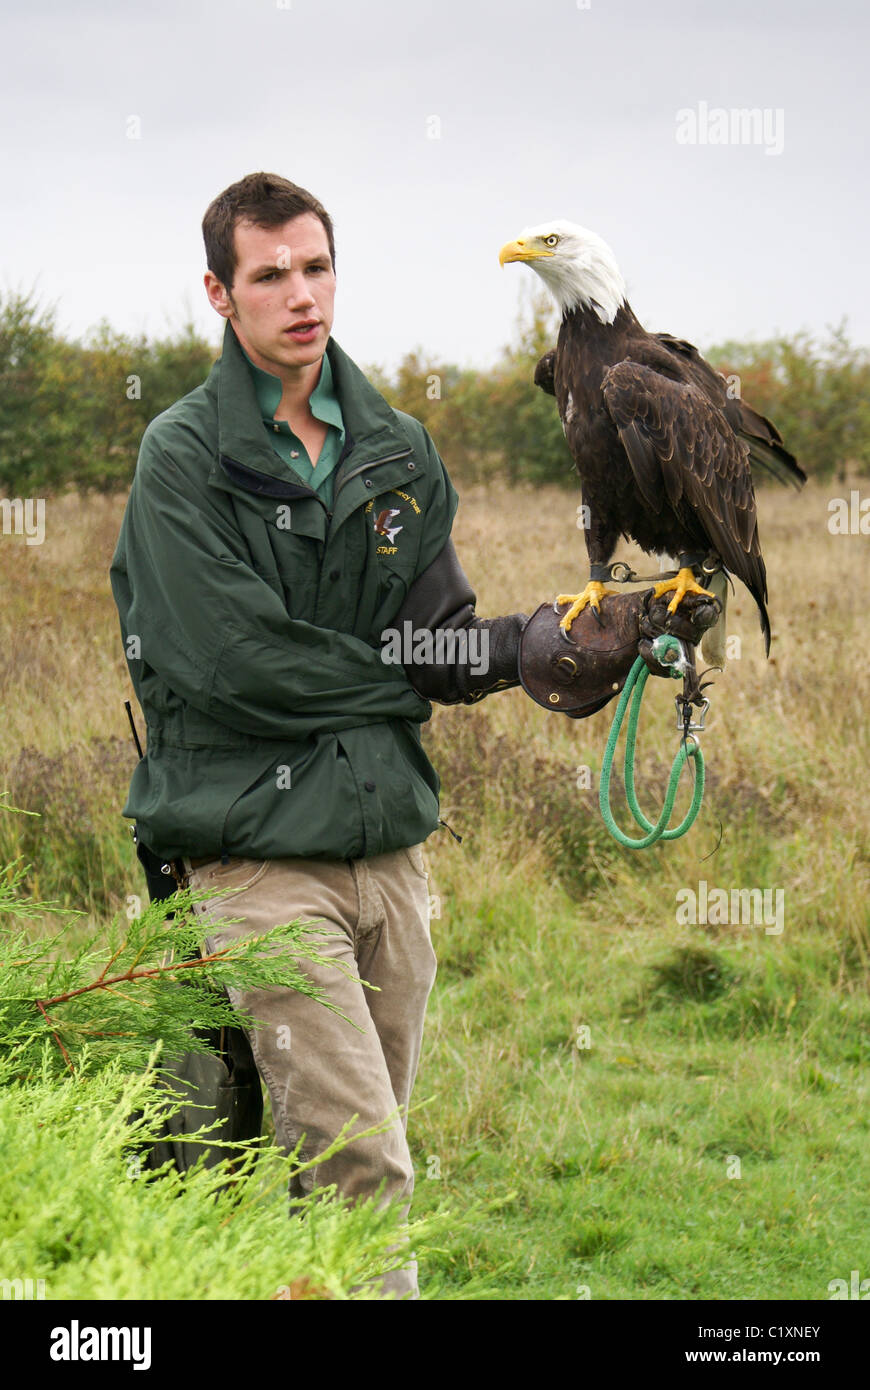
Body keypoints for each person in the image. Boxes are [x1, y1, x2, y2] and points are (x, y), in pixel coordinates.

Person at [110, 172, 716, 1299]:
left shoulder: (393, 446)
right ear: (218, 293)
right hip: (254, 861)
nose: (301, 295)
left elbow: (434, 636)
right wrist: (453, 659)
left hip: (389, 861)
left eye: (317, 267)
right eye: (270, 274)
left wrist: (555, 643)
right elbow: (236, 668)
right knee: (362, 1171)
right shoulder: (182, 460)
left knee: (311, 1182)